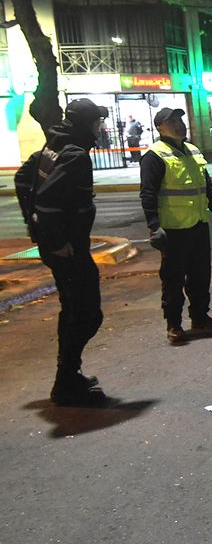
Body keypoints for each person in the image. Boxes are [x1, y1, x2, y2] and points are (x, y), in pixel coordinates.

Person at [13, 98, 109, 406]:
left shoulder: (53, 146)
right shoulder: (74, 156)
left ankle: (68, 375)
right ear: (86, 124)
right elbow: (49, 203)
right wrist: (55, 240)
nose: (100, 126)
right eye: (97, 121)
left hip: (59, 248)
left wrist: (35, 228)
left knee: (72, 310)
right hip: (69, 250)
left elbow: (22, 179)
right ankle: (66, 381)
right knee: (88, 313)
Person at [140, 107, 212, 344]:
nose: (179, 124)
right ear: (160, 127)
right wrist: (154, 226)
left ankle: (200, 317)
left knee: (201, 276)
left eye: (180, 119)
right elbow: (147, 194)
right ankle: (174, 324)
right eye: (172, 121)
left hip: (198, 225)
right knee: (173, 280)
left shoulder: (192, 150)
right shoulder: (155, 156)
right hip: (173, 230)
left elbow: (207, 187)